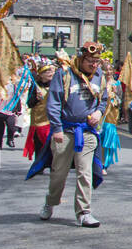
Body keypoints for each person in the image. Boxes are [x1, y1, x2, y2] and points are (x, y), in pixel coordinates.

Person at [36, 42, 106, 228]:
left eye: (97, 62)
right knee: (59, 172)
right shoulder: (64, 74)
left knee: (85, 172)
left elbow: (103, 99)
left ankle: (84, 212)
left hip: (87, 131)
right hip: (65, 130)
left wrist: (99, 112)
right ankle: (50, 202)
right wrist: (56, 128)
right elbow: (54, 102)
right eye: (90, 61)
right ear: (82, 59)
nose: (94, 65)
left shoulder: (99, 76)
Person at [22, 63, 58, 160]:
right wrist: (36, 98)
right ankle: (39, 165)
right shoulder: (35, 87)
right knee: (39, 145)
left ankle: (52, 164)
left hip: (52, 120)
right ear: (41, 74)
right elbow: (29, 104)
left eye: (51, 71)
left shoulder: (56, 85)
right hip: (39, 121)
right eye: (47, 71)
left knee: (52, 145)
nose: (50, 73)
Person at [100, 65, 123, 170]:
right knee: (99, 139)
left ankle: (104, 164)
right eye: (106, 70)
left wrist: (115, 94)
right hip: (100, 114)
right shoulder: (99, 82)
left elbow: (120, 100)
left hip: (111, 115)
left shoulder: (116, 84)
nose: (108, 72)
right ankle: (97, 162)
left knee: (108, 139)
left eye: (110, 70)